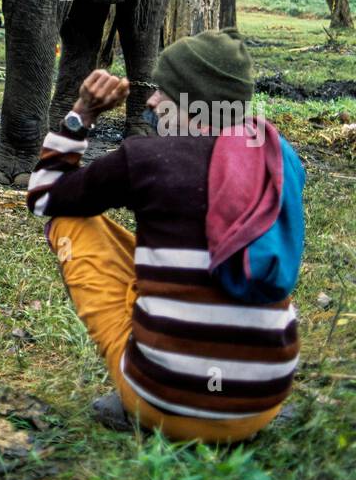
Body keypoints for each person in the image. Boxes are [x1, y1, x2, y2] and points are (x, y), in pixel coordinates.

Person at [27, 29, 302, 443]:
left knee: (69, 219)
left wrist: (81, 114)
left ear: (190, 100)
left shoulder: (145, 158)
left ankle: (144, 395)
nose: (152, 102)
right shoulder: (278, 158)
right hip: (262, 405)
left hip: (163, 406)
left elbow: (45, 197)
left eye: (163, 92)